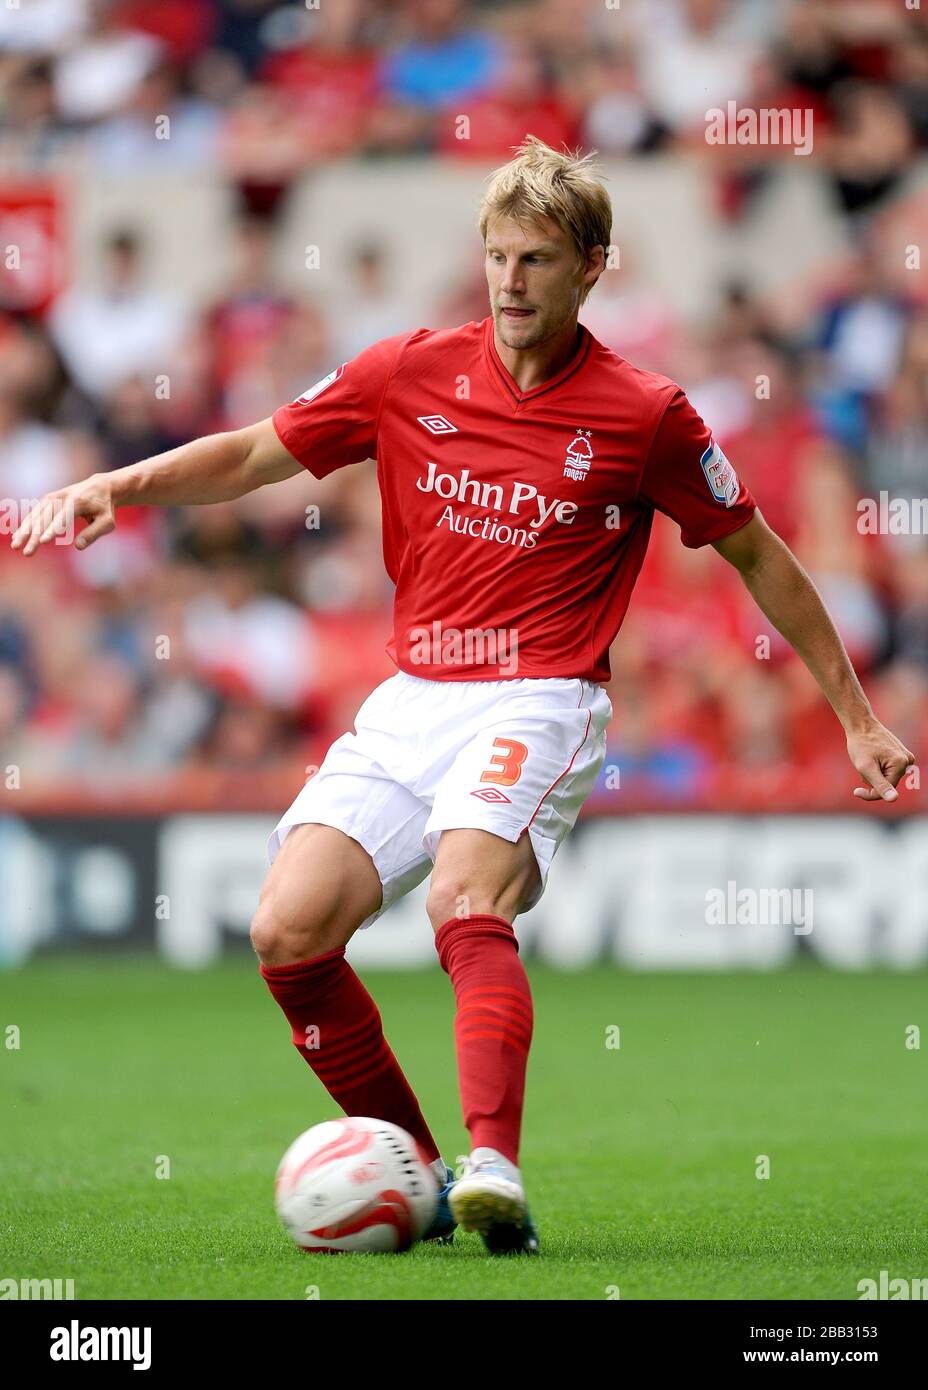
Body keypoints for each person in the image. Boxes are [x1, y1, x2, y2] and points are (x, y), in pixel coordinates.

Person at [12, 137, 915, 1255]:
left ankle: (496, 1162)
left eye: (537, 259)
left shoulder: (645, 414)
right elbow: (254, 455)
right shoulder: (407, 370)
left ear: (593, 267)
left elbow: (759, 555)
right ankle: (423, 1174)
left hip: (541, 693)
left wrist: (855, 714)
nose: (510, 282)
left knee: (462, 899)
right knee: (286, 929)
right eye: (497, 256)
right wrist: (115, 485)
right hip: (414, 693)